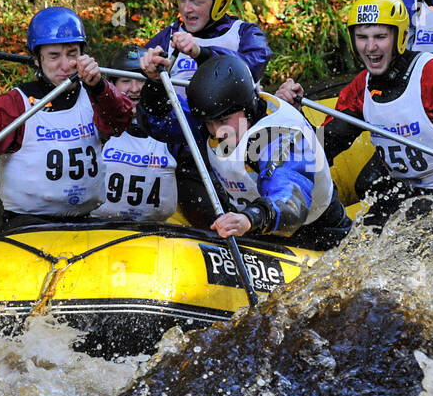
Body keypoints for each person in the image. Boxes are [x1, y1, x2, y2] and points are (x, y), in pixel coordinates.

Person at [279, 0, 433, 232]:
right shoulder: (359, 89)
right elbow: (325, 145)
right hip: (407, 189)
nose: (370, 47)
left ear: (400, 37)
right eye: (362, 37)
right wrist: (292, 114)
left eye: (380, 37)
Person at [0, 7, 133, 230]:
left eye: (72, 54)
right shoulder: (14, 103)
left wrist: (99, 85)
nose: (65, 64)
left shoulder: (96, 93)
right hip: (27, 225)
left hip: (83, 221)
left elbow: (121, 120)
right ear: (37, 60)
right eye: (54, 56)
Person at [137, 52, 350, 249]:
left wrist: (251, 218)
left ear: (248, 107)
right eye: (209, 123)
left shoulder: (280, 136)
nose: (216, 132)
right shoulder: (221, 120)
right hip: (257, 229)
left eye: (222, 121)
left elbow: (290, 200)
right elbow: (161, 123)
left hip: (318, 231)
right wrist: (155, 83)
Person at [144, 0, 272, 92]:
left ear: (220, 4)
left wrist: (200, 53)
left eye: (197, 2)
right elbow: (129, 63)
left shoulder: (245, 33)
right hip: (177, 111)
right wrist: (148, 68)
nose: (186, 9)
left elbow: (250, 66)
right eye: (182, 0)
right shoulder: (170, 34)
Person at [93, 46, 179, 223]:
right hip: (97, 227)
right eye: (126, 81)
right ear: (112, 85)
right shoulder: (98, 123)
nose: (134, 89)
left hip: (154, 230)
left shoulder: (169, 127)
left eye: (141, 80)